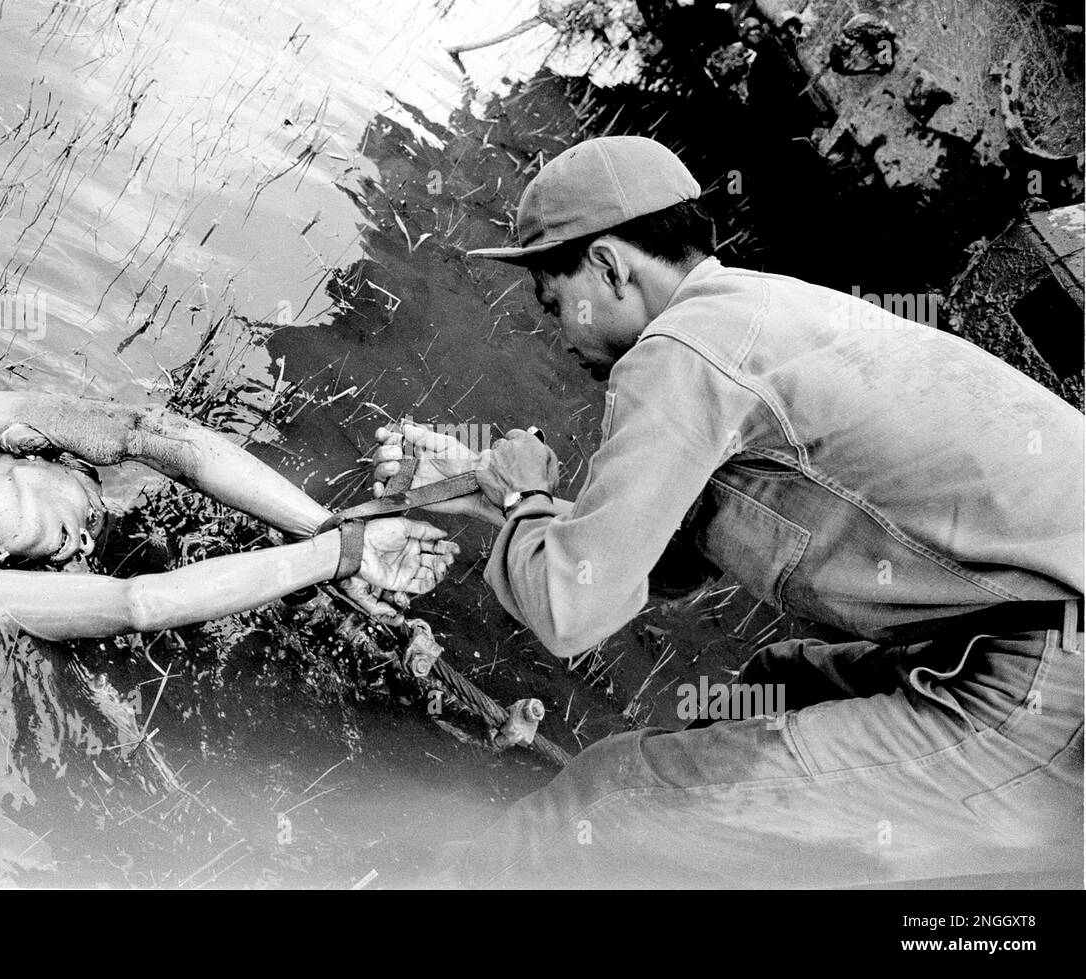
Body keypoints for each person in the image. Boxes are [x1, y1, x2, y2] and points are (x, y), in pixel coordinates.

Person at [371, 136, 1084, 887]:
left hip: (1048, 686)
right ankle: (689, 846)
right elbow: (654, 561)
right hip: (1019, 631)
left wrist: (523, 499)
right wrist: (487, 488)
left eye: (557, 305)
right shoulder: (752, 311)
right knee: (770, 681)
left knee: (610, 797)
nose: (560, 333)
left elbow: (570, 609)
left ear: (610, 267)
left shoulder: (683, 350)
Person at [0, 324, 456, 642]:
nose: (81, 541)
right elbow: (150, 434)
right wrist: (337, 542)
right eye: (93, 511)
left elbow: (134, 600)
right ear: (32, 448)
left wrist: (335, 542)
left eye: (78, 548)